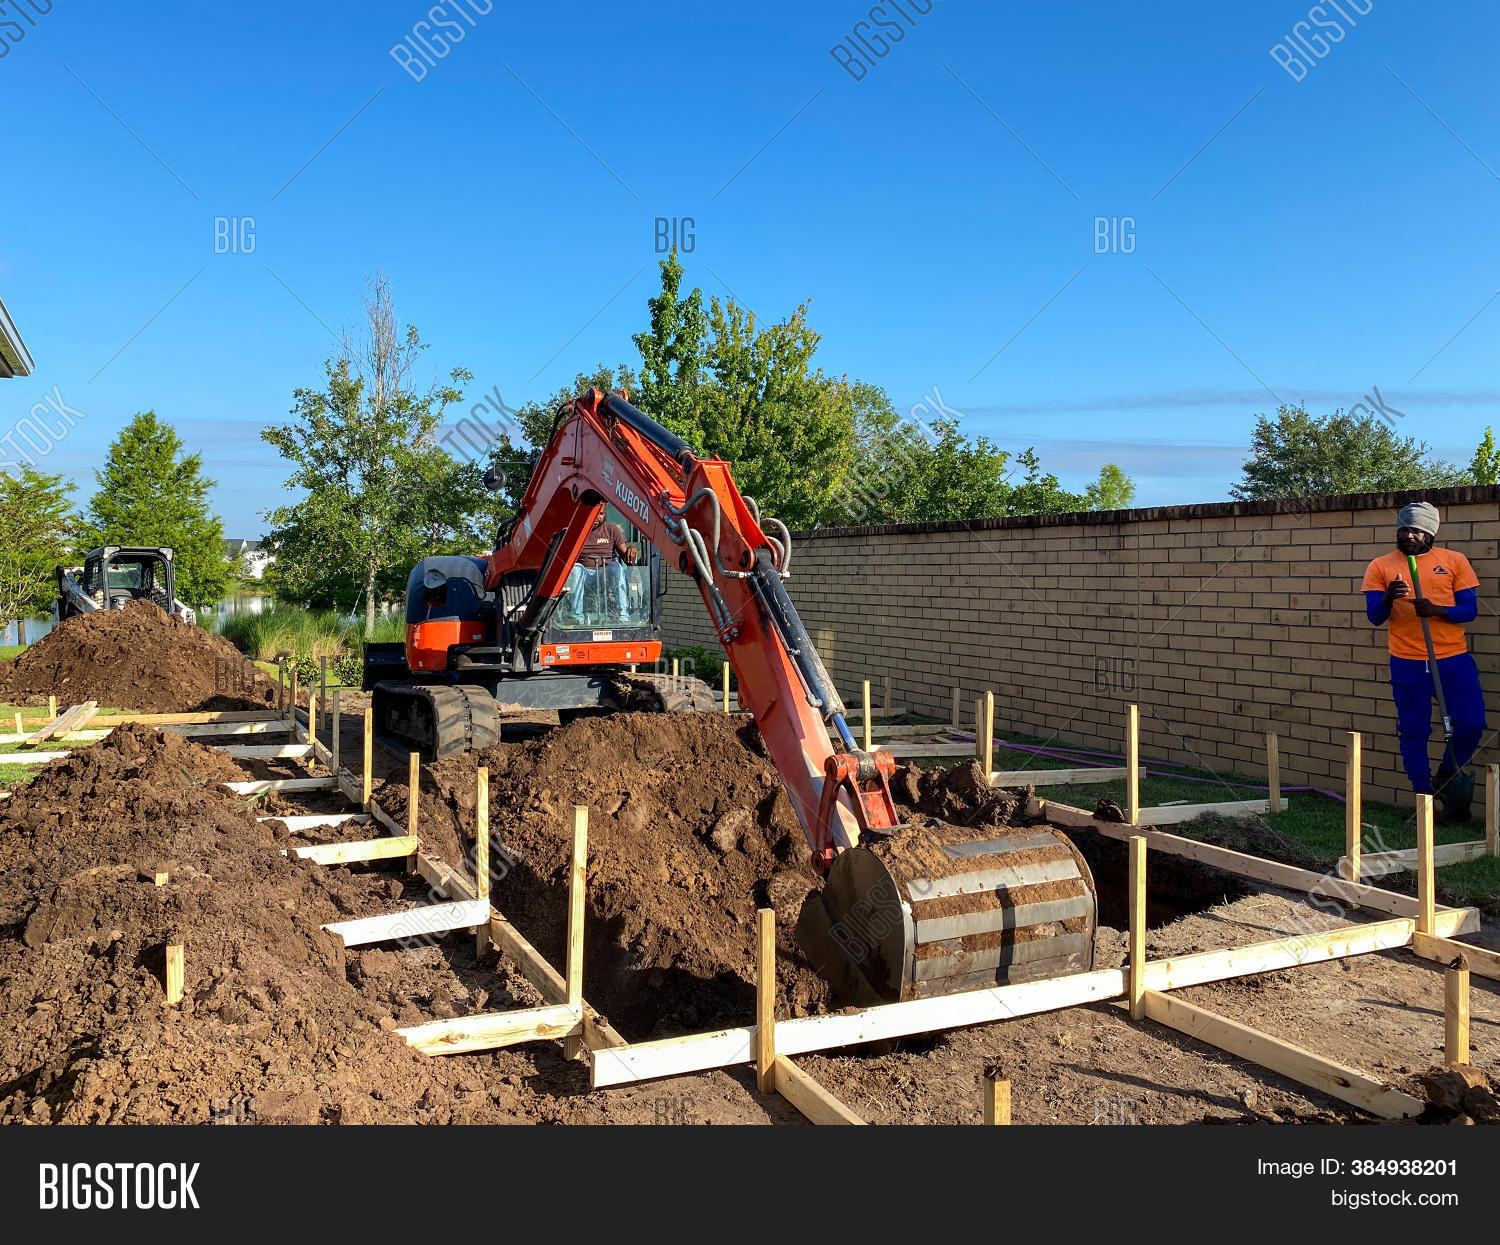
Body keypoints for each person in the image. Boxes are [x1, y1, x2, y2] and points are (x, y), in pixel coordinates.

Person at [1361, 501, 1485, 821]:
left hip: (1452, 658)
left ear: (1430, 532)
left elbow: (1469, 610)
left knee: (1471, 723)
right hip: (1407, 661)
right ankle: (1424, 799)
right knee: (1413, 731)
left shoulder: (1454, 561)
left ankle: (1446, 774)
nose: (1409, 534)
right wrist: (1390, 596)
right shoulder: (1381, 566)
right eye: (1404, 528)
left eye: (1417, 529)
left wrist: (1437, 610)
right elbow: (1375, 616)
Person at [564, 512, 638, 623]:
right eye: (593, 513)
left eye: (601, 514)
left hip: (606, 574)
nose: (597, 517)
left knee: (616, 567)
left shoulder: (611, 530)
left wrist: (630, 551)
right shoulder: (577, 531)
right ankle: (577, 617)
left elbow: (626, 557)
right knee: (576, 569)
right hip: (584, 574)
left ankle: (623, 617)